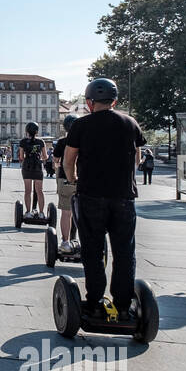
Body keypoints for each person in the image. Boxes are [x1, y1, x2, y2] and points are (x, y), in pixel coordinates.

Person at [62, 78, 146, 315]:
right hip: (123, 197)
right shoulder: (130, 123)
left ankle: (96, 299)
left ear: (89, 102)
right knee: (124, 251)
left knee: (93, 249)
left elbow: (69, 161)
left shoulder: (81, 126)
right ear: (114, 101)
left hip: (91, 195)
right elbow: (137, 159)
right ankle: (122, 304)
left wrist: (73, 179)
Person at [53, 114, 79, 250]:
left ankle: (65, 242)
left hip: (65, 179)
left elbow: (56, 160)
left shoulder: (62, 142)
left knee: (66, 212)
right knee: (84, 212)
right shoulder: (86, 141)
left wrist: (56, 167)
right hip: (83, 179)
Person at [19, 122, 47, 217]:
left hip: (27, 166)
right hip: (38, 167)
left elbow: (21, 157)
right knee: (39, 191)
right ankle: (41, 213)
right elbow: (45, 156)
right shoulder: (41, 142)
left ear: (27, 131)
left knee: (27, 191)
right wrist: (39, 159)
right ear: (37, 131)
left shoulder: (23, 142)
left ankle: (28, 212)